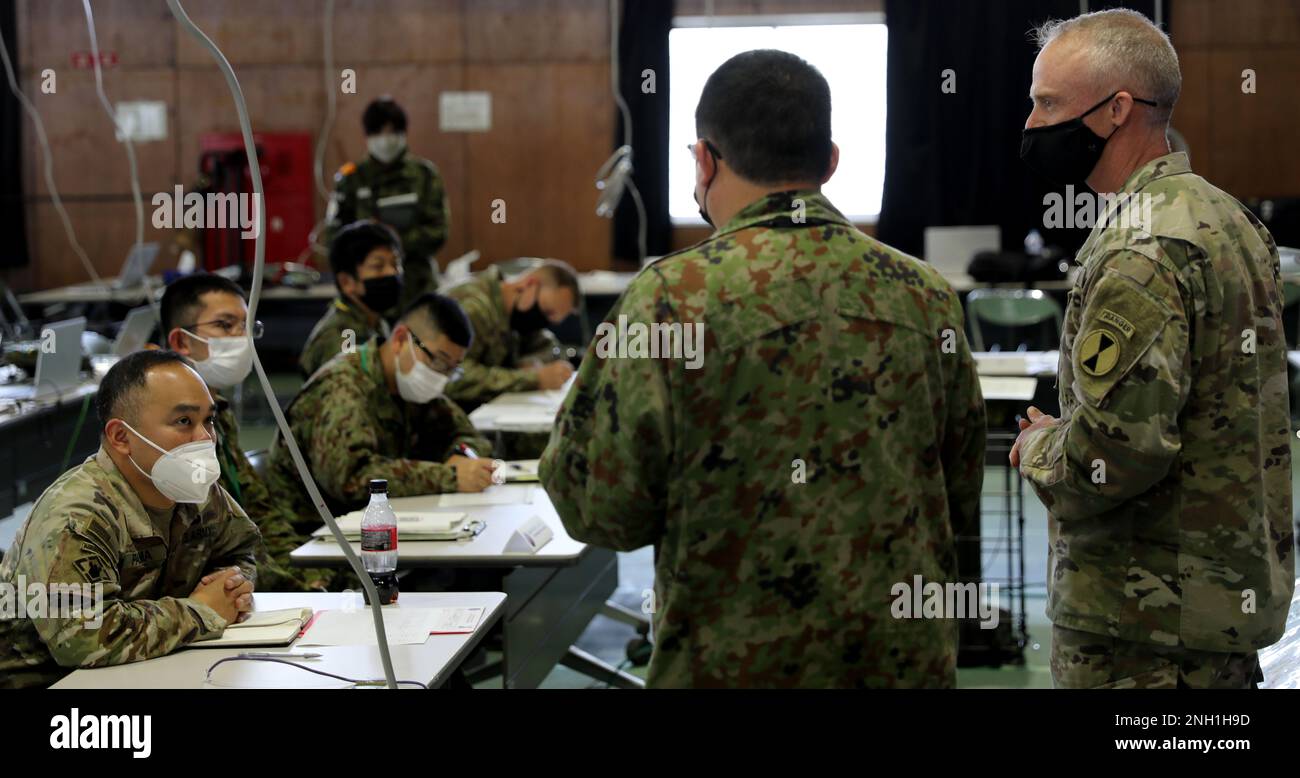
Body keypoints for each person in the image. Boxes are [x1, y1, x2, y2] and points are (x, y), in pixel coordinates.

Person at [539, 49, 986, 688]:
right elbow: (960, 483)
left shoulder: (669, 298)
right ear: (830, 161)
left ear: (704, 161)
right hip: (899, 661)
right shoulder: (925, 293)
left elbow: (601, 507)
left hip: (731, 662)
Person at [1010, 9, 1294, 689]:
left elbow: (1116, 453)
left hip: (1142, 627)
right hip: (1212, 605)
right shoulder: (1225, 217)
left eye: (1047, 103)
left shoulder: (1141, 248)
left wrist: (1040, 447)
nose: (1030, 124)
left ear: (1116, 110)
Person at [0, 350, 262, 688]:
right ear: (121, 438)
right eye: (184, 422)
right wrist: (201, 611)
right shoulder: (76, 515)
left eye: (208, 421)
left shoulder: (193, 489)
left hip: (142, 670)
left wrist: (230, 586)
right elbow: (83, 640)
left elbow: (241, 551)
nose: (205, 438)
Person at [160, 274, 337, 592]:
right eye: (225, 325)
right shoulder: (164, 430)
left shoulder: (220, 414)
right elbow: (212, 547)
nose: (241, 338)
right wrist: (294, 586)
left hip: (255, 578)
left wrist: (307, 574)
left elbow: (258, 513)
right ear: (181, 342)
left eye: (246, 327)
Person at [268, 293, 497, 527]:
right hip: (310, 536)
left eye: (452, 369)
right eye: (438, 361)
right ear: (400, 339)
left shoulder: (410, 387)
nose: (441, 376)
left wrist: (461, 455)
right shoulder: (343, 387)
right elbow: (352, 479)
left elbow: (467, 434)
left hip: (374, 526)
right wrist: (450, 478)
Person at [326, 96, 449, 311]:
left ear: (403, 133)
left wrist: (394, 240)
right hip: (366, 293)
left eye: (392, 131)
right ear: (367, 135)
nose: (385, 139)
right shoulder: (351, 179)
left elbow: (438, 231)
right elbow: (334, 236)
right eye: (378, 132)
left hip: (417, 290)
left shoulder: (424, 175)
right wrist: (368, 244)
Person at [444, 259, 579, 409]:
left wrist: (532, 362)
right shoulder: (474, 308)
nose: (544, 321)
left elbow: (552, 349)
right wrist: (533, 379)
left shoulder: (517, 315)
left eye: (553, 320)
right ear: (529, 285)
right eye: (547, 312)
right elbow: (453, 377)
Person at [300, 220, 403, 378]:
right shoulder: (339, 336)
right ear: (347, 282)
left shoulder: (376, 321)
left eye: (395, 263)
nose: (392, 273)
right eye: (378, 266)